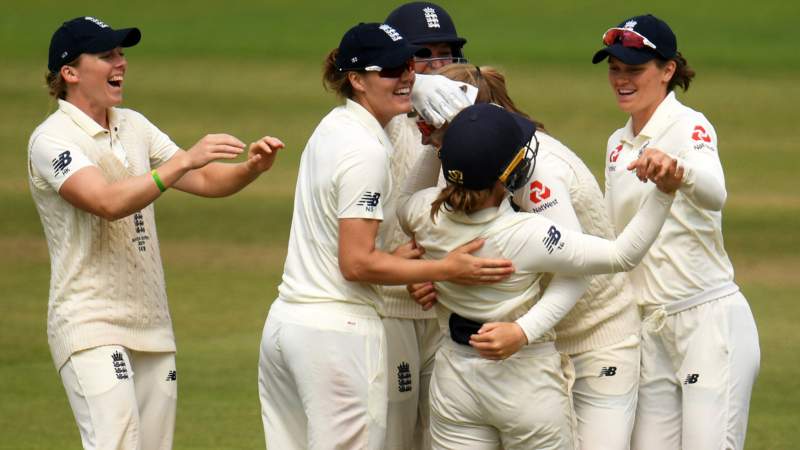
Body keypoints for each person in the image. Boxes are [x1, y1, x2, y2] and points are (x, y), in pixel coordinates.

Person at [28, 16, 283, 450]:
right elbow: (107, 202)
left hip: (150, 322)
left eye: (121, 53)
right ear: (69, 73)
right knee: (117, 442)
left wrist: (250, 169)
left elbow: (204, 182)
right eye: (106, 55)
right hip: (90, 320)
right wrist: (183, 161)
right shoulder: (51, 140)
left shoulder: (133, 125)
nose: (120, 63)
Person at [256, 22, 513, 450]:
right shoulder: (366, 151)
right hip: (337, 337)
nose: (407, 77)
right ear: (356, 80)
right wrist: (447, 267)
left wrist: (392, 255)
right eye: (392, 70)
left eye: (409, 66)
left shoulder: (333, 125)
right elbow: (355, 263)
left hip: (287, 326)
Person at [398, 102, 679, 449]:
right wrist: (665, 193)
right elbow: (622, 254)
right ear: (505, 175)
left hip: (455, 379)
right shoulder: (527, 234)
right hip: (525, 385)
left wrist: (436, 147)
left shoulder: (423, 213)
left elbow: (406, 198)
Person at [592, 14, 760, 450]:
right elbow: (617, 236)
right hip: (650, 329)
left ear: (667, 71)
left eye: (634, 70)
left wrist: (677, 171)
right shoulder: (616, 143)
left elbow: (715, 191)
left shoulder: (690, 125)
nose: (621, 80)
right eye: (615, 69)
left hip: (707, 322)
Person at [373, 3, 471, 449]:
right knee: (395, 438)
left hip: (447, 307)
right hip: (389, 307)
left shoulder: (468, 121)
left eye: (445, 55)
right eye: (423, 55)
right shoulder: (380, 124)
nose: (436, 67)